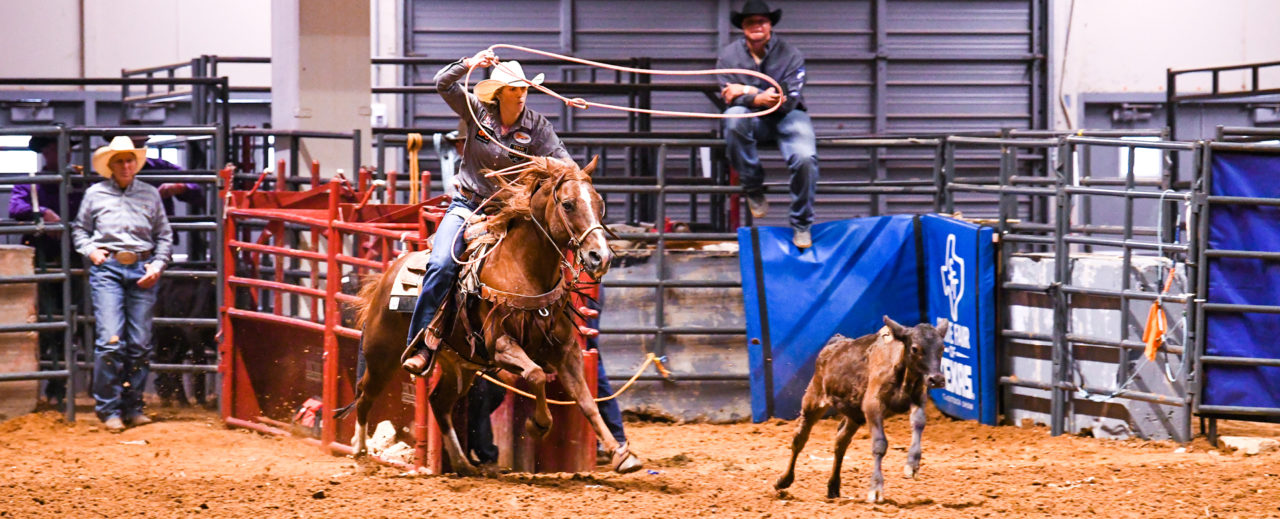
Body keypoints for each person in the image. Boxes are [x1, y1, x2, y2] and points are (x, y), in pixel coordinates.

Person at [401, 49, 575, 374]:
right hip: (466, 204)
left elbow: (568, 164)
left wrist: (547, 162)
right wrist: (468, 64)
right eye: (514, 89)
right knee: (440, 264)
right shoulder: (477, 111)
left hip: (510, 211)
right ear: (500, 92)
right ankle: (422, 343)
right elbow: (442, 84)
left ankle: (542, 338)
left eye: (524, 89)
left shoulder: (536, 127)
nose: (521, 94)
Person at [72, 136, 173, 432]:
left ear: (135, 163)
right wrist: (91, 250)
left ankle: (132, 405)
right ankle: (109, 408)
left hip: (142, 267)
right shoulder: (95, 194)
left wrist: (157, 263)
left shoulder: (150, 195)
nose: (126, 165)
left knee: (139, 343)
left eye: (130, 160)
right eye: (120, 161)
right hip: (109, 269)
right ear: (111, 165)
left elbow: (164, 235)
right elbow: (80, 229)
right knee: (110, 340)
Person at [717, 0, 820, 249]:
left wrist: (747, 91)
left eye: (762, 21)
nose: (757, 26)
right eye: (751, 22)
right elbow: (728, 97)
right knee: (733, 119)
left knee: (805, 158)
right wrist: (757, 97)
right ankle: (753, 187)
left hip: (788, 116)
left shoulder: (791, 54)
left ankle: (802, 223)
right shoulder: (729, 56)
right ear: (743, 26)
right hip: (752, 118)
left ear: (770, 25)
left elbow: (787, 98)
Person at [9, 135, 84, 407]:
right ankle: (40, 387)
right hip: (41, 258)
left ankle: (58, 386)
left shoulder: (80, 182)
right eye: (54, 149)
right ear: (44, 152)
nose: (63, 154)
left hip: (74, 258)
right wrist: (43, 213)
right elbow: (16, 208)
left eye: (66, 149)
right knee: (43, 320)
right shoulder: (32, 181)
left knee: (69, 321)